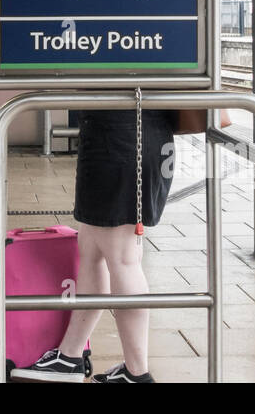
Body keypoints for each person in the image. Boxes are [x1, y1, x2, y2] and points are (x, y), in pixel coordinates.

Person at [11, 106, 199, 383]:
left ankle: (137, 373)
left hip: (121, 139)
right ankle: (69, 356)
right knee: (92, 251)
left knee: (123, 258)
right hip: (121, 135)